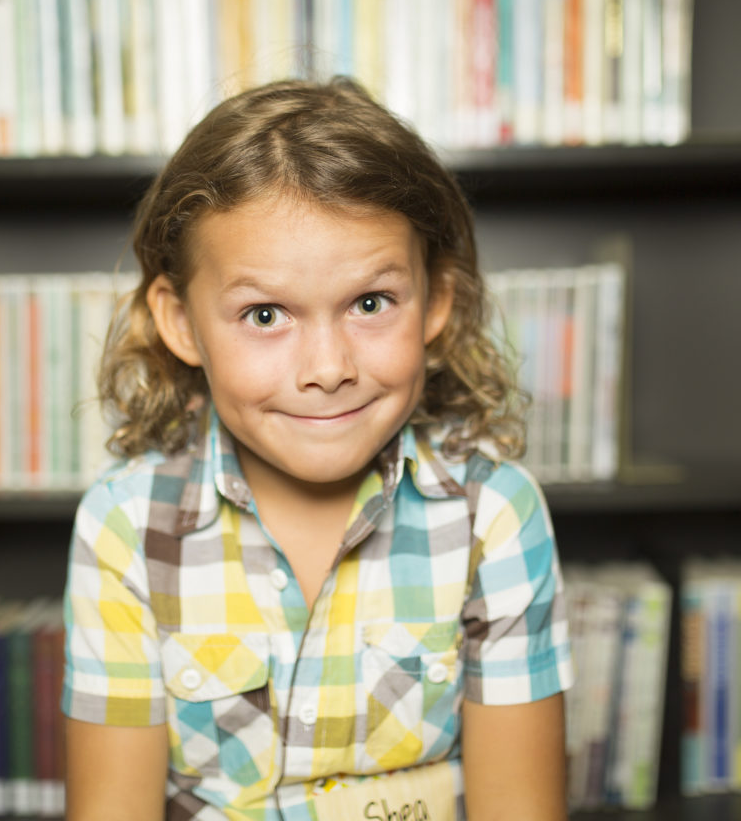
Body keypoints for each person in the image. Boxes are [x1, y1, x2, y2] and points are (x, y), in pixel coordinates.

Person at [62, 77, 573, 821]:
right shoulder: (125, 524)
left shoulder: (493, 514)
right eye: (265, 314)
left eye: (371, 303)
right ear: (180, 322)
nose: (328, 368)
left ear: (435, 301)